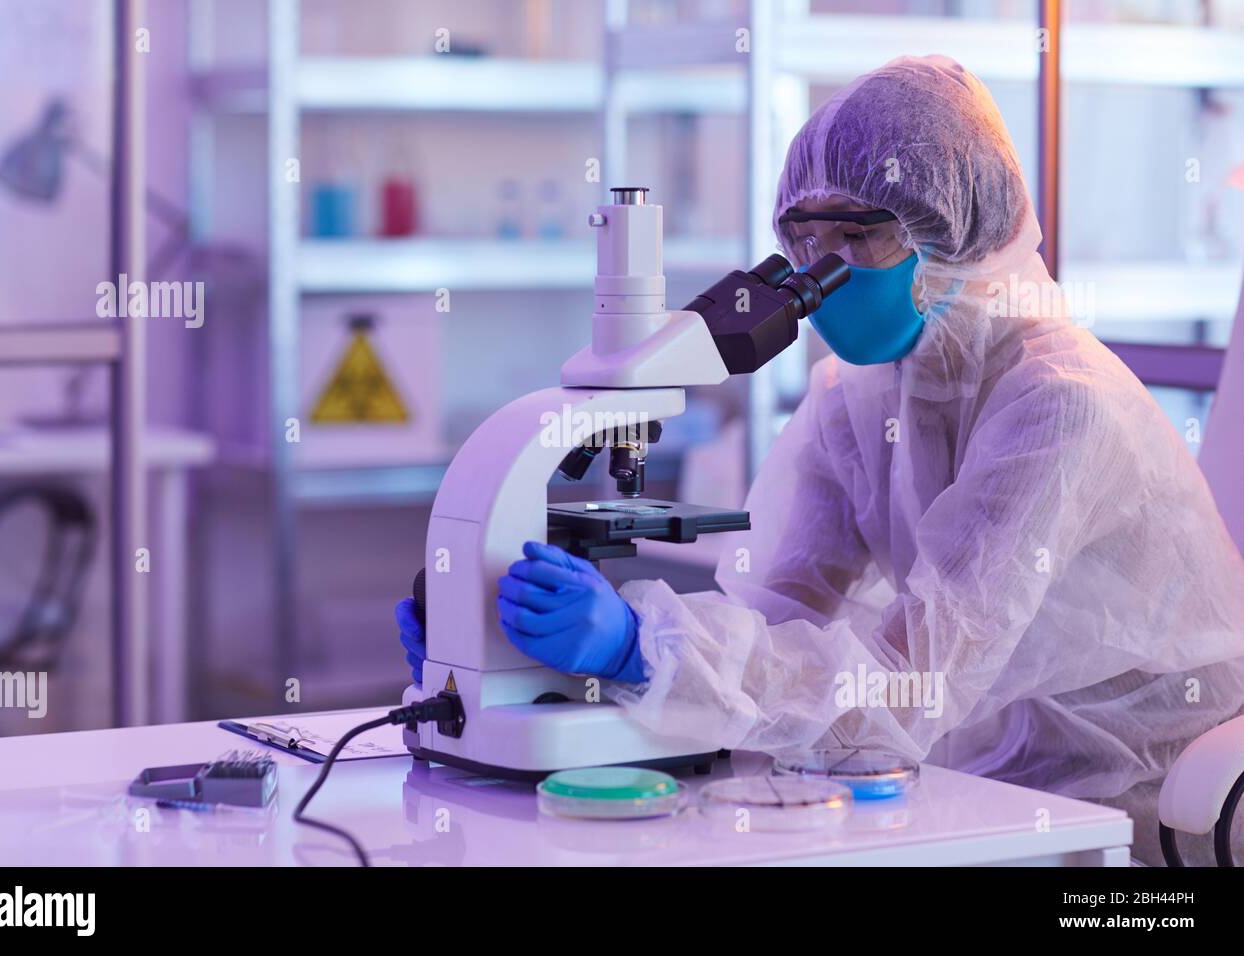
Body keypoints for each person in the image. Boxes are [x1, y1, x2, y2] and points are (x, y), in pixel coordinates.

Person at [398, 55, 1244, 865]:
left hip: (1138, 818)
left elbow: (913, 681)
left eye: (856, 234)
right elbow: (779, 610)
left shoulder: (1062, 406)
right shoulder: (856, 393)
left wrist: (641, 649)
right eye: (803, 237)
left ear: (954, 232)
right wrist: (514, 662)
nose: (820, 269)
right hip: (963, 779)